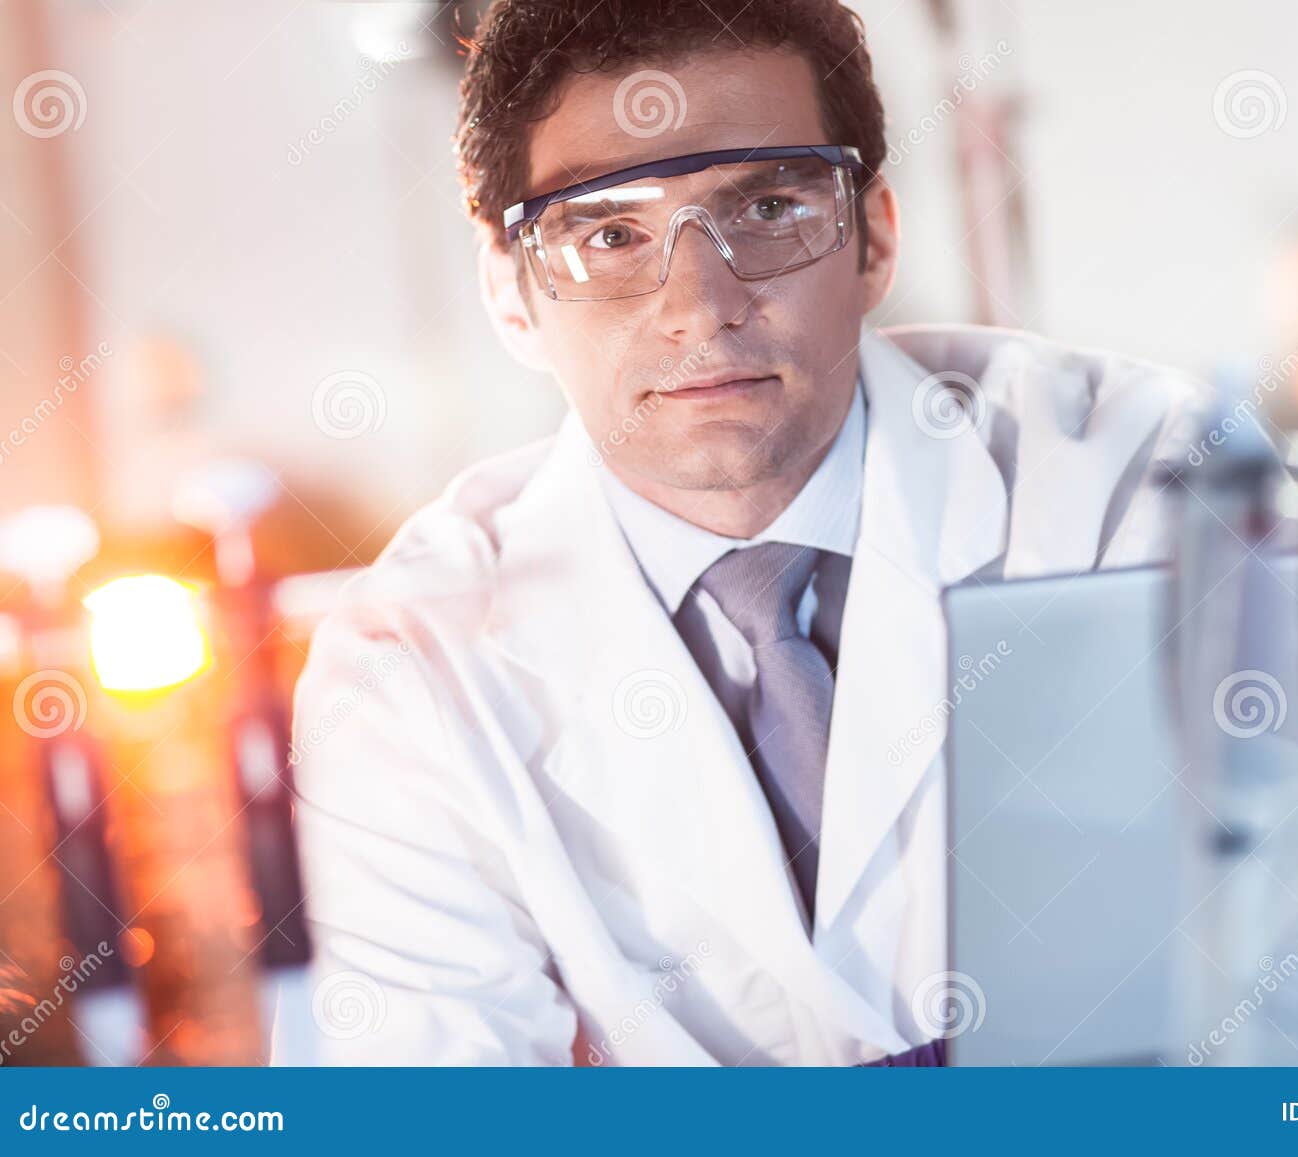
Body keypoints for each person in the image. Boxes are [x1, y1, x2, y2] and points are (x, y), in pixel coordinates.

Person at [274, 0, 1203, 1066]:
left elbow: (1297, 976)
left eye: (765, 207)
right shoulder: (411, 665)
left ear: (875, 239)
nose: (700, 304)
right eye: (611, 233)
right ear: (510, 294)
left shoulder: (1127, 474)